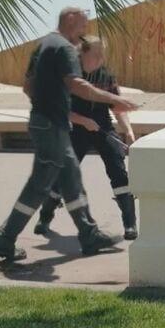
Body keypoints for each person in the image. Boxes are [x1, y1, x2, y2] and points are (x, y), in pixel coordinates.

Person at [0, 7, 139, 261]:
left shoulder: (44, 44)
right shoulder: (65, 48)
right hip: (52, 126)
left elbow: (28, 86)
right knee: (40, 185)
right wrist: (114, 98)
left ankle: (89, 235)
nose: (84, 31)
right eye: (82, 24)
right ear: (70, 21)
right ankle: (5, 238)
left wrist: (46, 104)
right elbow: (78, 85)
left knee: (71, 180)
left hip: (49, 123)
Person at [34, 36, 138, 240]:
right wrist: (82, 121)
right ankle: (44, 217)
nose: (101, 59)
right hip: (76, 128)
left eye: (102, 55)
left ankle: (130, 223)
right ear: (83, 54)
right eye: (97, 55)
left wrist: (128, 131)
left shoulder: (106, 76)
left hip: (102, 127)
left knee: (118, 171)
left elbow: (118, 108)